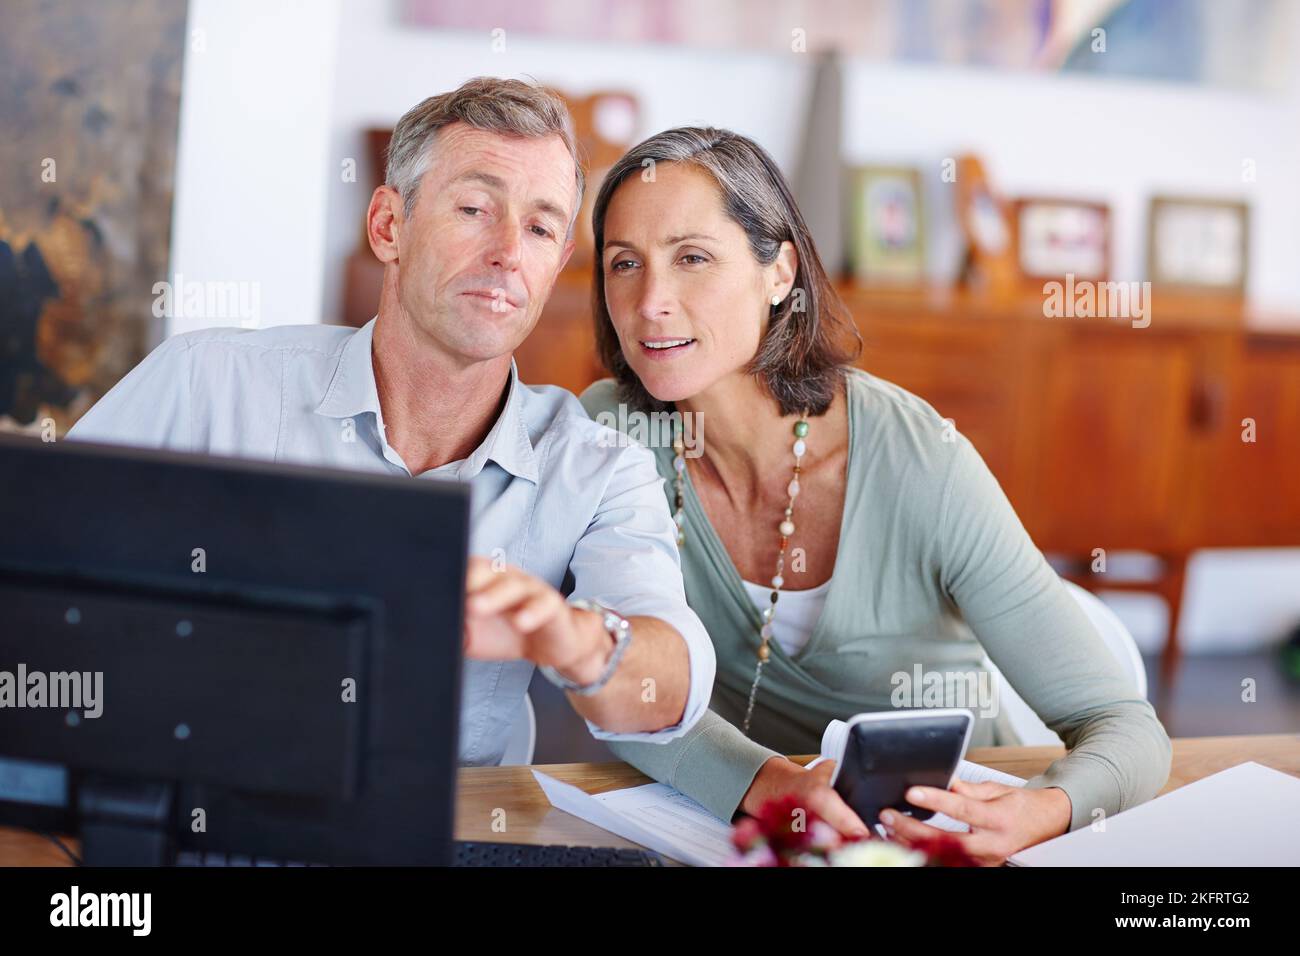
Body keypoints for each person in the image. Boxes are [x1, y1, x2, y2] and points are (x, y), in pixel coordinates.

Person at [68, 78, 715, 764]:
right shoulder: (207, 383)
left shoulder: (598, 470)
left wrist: (571, 638)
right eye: (473, 208)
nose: (507, 252)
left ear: (557, 264)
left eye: (539, 227)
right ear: (388, 227)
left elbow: (664, 695)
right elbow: (35, 576)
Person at [579, 126, 1171, 865]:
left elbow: (1124, 725)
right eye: (623, 263)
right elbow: (612, 684)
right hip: (756, 836)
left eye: (692, 257)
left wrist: (1043, 811)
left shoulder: (920, 461)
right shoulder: (609, 434)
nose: (651, 301)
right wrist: (760, 782)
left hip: (945, 839)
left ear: (779, 272)